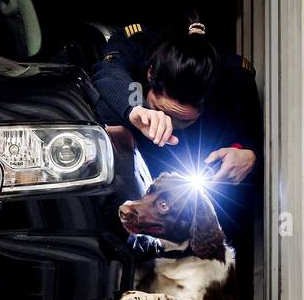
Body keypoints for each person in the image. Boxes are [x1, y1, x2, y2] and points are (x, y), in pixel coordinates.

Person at [90, 17, 262, 242]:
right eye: (164, 113)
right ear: (150, 73)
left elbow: (251, 135)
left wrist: (247, 154)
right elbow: (108, 73)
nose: (170, 126)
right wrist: (135, 110)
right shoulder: (137, 45)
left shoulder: (234, 81)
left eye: (182, 121)